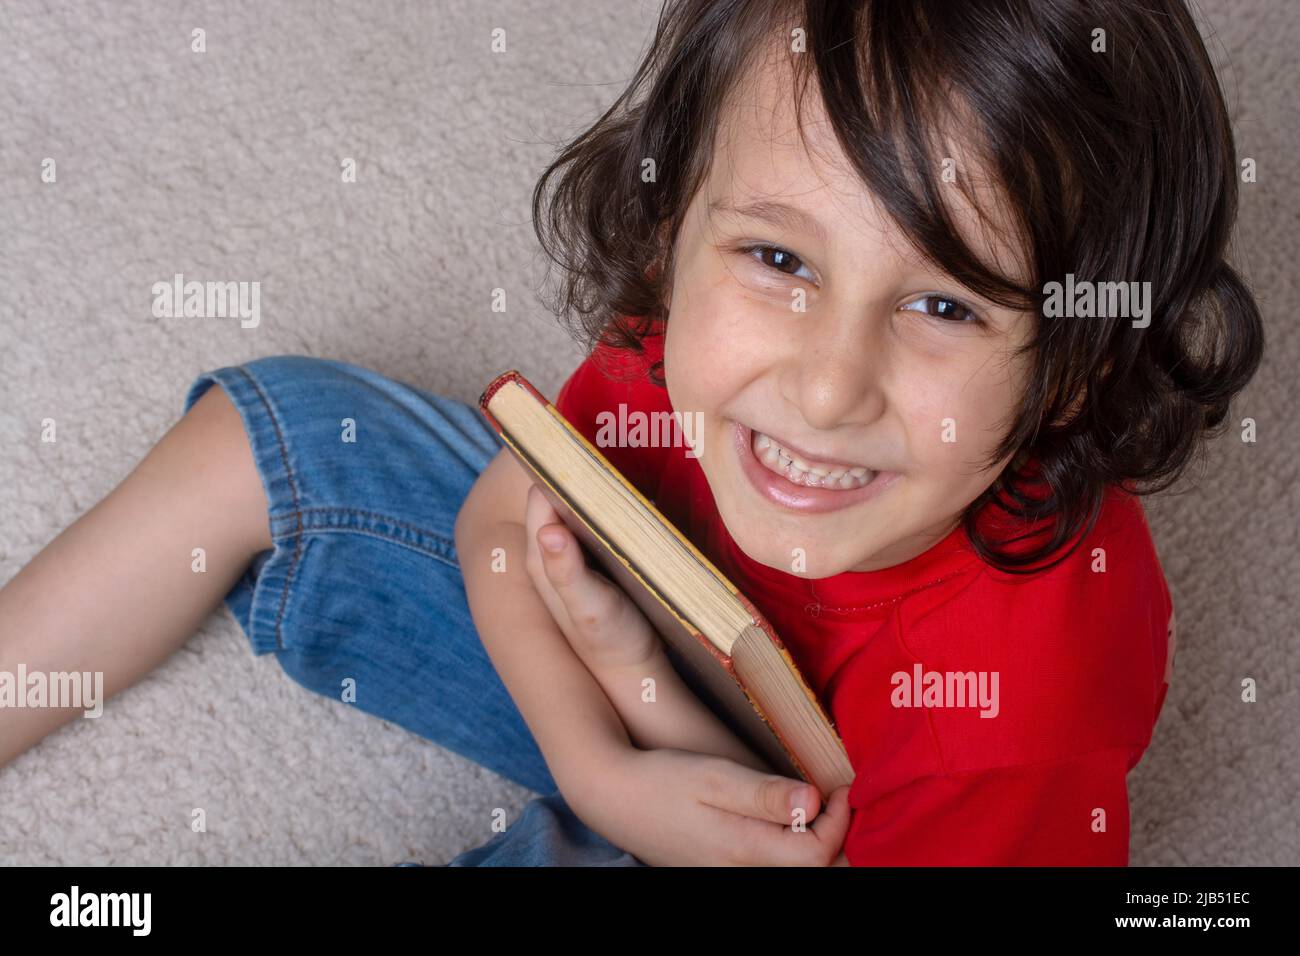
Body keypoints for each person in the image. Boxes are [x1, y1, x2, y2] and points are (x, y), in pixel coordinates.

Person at [0, 0, 1262, 865]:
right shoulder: (685, 354)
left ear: (1077, 373)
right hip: (641, 652)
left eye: (940, 304)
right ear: (674, 237)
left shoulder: (1023, 710)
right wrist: (600, 739)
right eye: (778, 257)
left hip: (824, 838)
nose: (823, 389)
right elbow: (506, 511)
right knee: (267, 429)